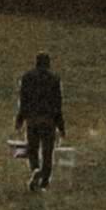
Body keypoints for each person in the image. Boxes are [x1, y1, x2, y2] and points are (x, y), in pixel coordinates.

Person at [14, 51, 65, 187]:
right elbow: (57, 103)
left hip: (32, 120)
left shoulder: (27, 78)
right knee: (47, 152)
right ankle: (45, 180)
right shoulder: (54, 79)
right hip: (49, 121)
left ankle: (35, 169)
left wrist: (20, 119)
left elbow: (23, 100)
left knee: (33, 149)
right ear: (48, 63)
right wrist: (61, 126)